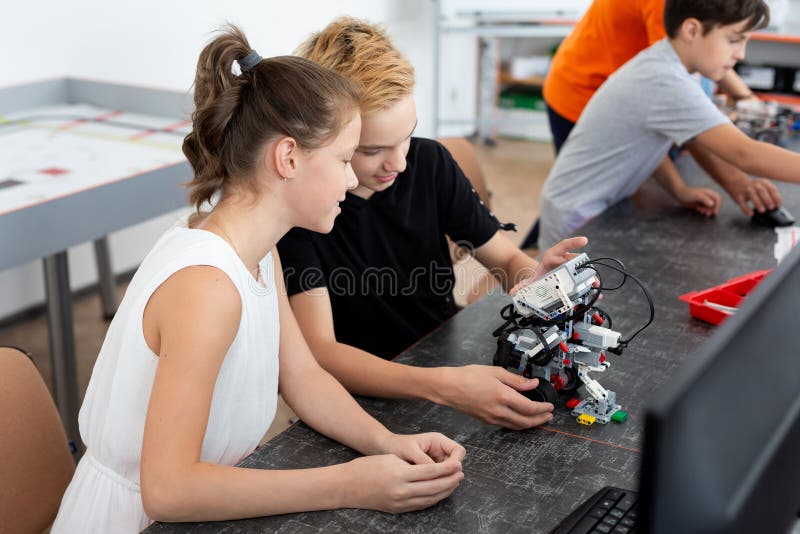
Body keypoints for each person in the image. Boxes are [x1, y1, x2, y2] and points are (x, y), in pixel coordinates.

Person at [52, 26, 467, 533]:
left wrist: (388, 443)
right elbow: (169, 492)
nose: (352, 179)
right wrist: (349, 483)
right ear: (288, 158)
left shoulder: (259, 250)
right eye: (342, 160)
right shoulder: (207, 288)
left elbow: (304, 378)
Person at [277, 17, 588, 432]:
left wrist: (535, 281)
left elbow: (506, 259)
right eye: (373, 150)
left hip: (442, 356)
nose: (399, 162)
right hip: (357, 397)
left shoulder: (430, 164)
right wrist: (441, 385)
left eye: (407, 136)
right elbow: (322, 352)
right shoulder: (303, 214)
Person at [536, 0, 800, 251]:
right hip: (577, 224)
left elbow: (643, 141)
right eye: (734, 40)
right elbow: (746, 154)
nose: (741, 54)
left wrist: (678, 189)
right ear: (692, 30)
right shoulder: (666, 81)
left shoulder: (666, 63)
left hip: (588, 207)